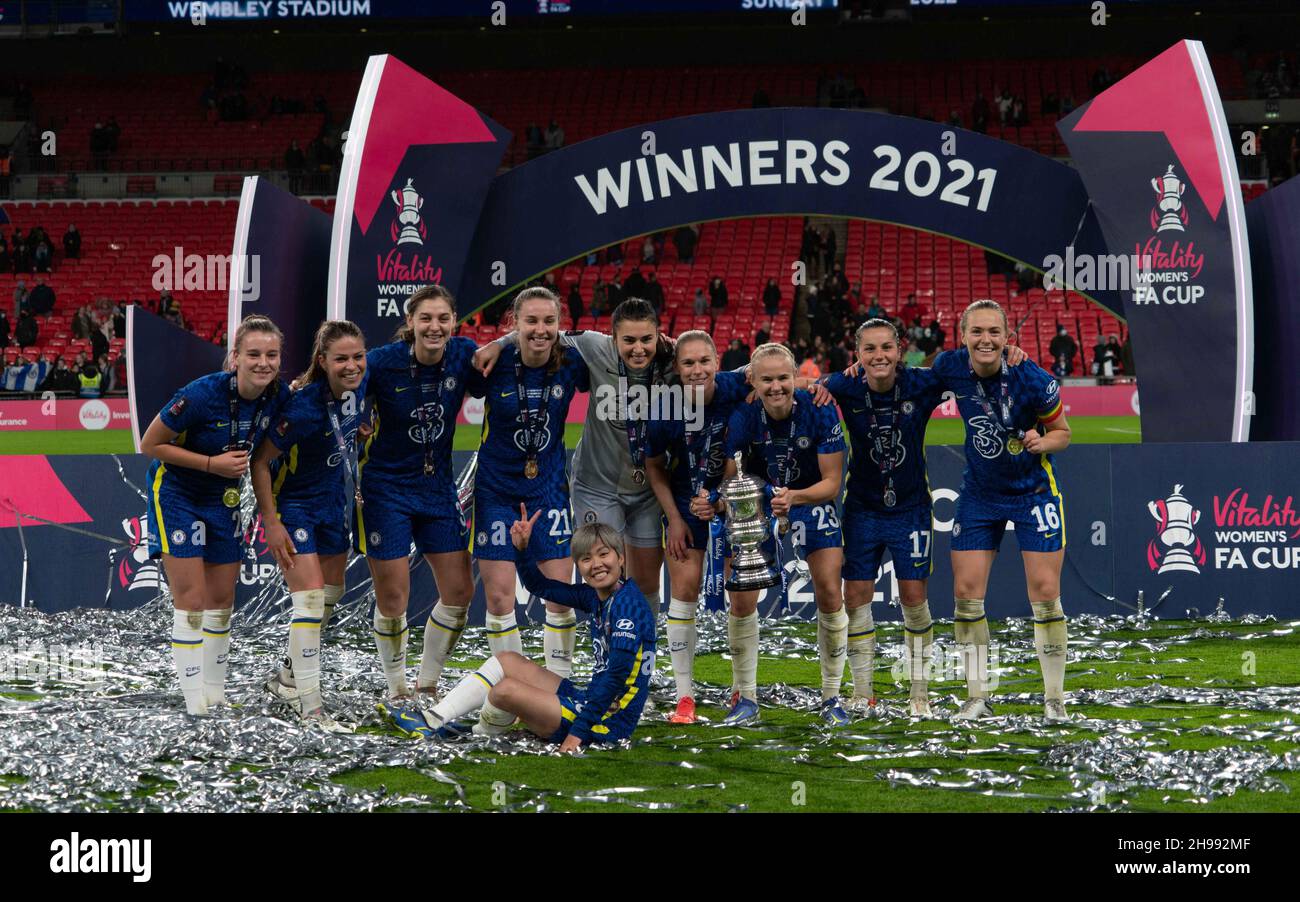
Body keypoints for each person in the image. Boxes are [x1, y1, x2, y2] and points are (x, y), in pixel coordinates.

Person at [475, 298, 675, 629]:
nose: (638, 348)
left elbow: (710, 368)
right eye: (628, 340)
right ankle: (609, 656)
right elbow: (543, 332)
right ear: (612, 337)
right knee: (603, 577)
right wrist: (500, 342)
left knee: (647, 586)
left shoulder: (671, 361)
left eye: (646, 339)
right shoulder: (593, 346)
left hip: (647, 489)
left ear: (658, 335)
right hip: (597, 485)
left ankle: (642, 661)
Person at [930, 299, 1072, 722]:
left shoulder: (1034, 379)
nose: (985, 340)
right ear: (963, 337)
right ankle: (978, 695)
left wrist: (1041, 442)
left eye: (994, 332)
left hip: (1033, 493)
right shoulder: (950, 367)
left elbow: (1063, 434)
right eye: (977, 332)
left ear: (1008, 337)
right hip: (979, 495)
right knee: (965, 595)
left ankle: (1054, 700)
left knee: (1046, 595)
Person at [140, 315, 288, 715]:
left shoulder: (278, 395)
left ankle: (215, 694)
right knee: (192, 601)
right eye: (253, 354)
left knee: (222, 601)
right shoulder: (201, 394)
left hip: (222, 497)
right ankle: (195, 707)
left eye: (271, 355)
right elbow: (150, 444)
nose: (263, 362)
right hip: (177, 493)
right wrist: (211, 464)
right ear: (235, 357)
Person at [355, 285, 479, 736]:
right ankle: (397, 689)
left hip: (437, 488)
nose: (434, 327)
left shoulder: (463, 354)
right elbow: (344, 388)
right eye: (426, 318)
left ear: (454, 322)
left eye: (443, 318)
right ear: (410, 322)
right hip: (386, 488)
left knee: (459, 591)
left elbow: (501, 360)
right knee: (394, 598)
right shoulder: (383, 361)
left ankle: (427, 686)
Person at [418, 518, 656, 751]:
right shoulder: (599, 595)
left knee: (504, 691)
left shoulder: (628, 609)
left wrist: (576, 734)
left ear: (621, 558)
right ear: (579, 566)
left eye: (604, 554)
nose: (596, 564)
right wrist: (521, 550)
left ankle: (478, 735)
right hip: (593, 699)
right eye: (586, 558)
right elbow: (541, 587)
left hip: (609, 719)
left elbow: (615, 678)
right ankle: (436, 718)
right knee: (507, 661)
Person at [718, 343, 849, 726]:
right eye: (767, 379)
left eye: (783, 378)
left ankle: (831, 697)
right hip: (758, 503)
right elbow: (731, 477)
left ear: (796, 378)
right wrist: (740, 498)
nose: (776, 387)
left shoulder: (820, 408)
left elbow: (832, 484)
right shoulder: (744, 415)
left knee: (828, 590)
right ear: (753, 382)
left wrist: (794, 497)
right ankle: (746, 697)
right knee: (742, 597)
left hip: (810, 500)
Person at [466, 287, 589, 687]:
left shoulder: (572, 363)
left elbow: (615, 350)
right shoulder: (493, 364)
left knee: (559, 596)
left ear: (559, 325)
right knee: (500, 600)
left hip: (548, 489)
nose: (540, 330)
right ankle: (515, 688)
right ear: (514, 323)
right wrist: (498, 344)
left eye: (549, 321)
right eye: (531, 321)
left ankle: (558, 688)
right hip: (496, 491)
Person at [252, 320, 368, 730]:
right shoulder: (301, 408)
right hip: (295, 507)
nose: (352, 366)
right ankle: (312, 708)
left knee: (331, 595)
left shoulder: (360, 389)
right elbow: (260, 462)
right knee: (311, 603)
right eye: (341, 359)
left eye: (358, 357)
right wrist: (271, 522)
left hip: (334, 504)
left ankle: (286, 676)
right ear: (323, 361)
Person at [641, 332, 751, 722]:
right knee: (684, 592)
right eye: (688, 363)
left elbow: (775, 371)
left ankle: (743, 691)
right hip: (686, 503)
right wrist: (672, 518)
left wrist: (816, 386)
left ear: (718, 362)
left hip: (734, 499)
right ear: (676, 368)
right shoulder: (661, 411)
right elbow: (654, 467)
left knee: (741, 595)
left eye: (704, 361)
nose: (697, 370)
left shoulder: (737, 384)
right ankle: (685, 697)